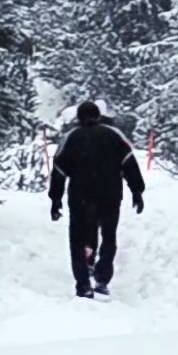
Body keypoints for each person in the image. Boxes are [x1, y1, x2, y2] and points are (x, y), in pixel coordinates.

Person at [49, 101, 146, 298]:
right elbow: (129, 163)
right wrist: (137, 191)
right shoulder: (113, 135)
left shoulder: (71, 138)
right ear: (98, 115)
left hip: (80, 196)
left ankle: (83, 284)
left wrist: (55, 199)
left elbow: (58, 171)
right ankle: (102, 278)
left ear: (78, 118)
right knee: (108, 235)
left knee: (78, 238)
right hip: (109, 194)